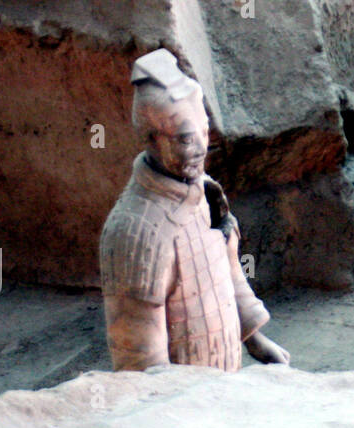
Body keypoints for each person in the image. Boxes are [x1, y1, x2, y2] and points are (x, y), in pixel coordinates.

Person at [100, 48, 289, 372]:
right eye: (187, 139)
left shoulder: (207, 192)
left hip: (225, 375)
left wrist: (255, 339)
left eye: (205, 133)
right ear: (152, 139)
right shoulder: (134, 232)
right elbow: (142, 365)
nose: (202, 149)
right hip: (181, 404)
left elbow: (228, 272)